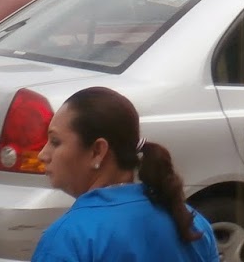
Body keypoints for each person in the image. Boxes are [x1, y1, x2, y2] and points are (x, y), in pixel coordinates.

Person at [32, 86, 217, 262]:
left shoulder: (70, 238)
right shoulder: (192, 223)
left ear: (98, 151)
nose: (42, 154)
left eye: (55, 142)